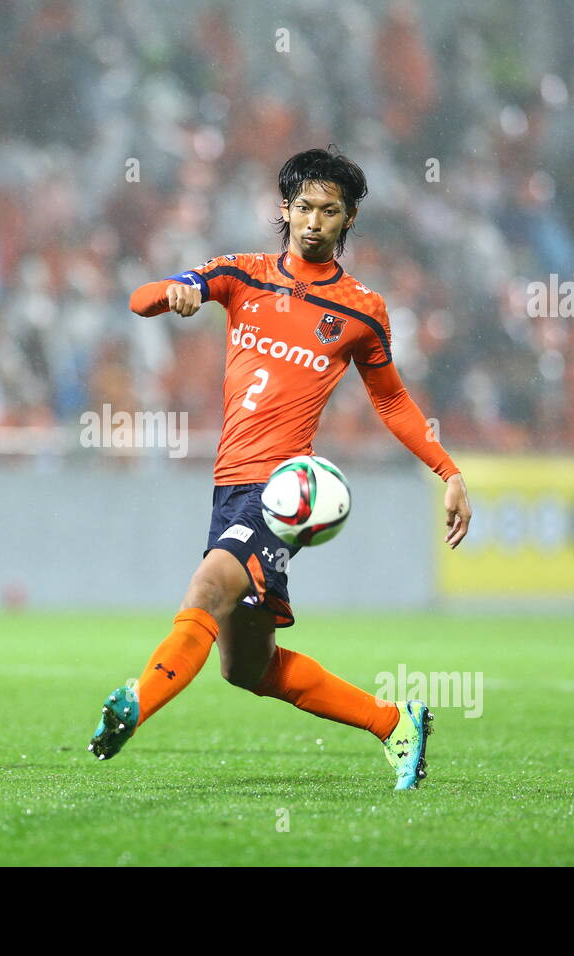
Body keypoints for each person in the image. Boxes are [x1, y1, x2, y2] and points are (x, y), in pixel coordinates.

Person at [88, 147, 472, 789]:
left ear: (349, 219)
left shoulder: (361, 309)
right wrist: (176, 293)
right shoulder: (242, 274)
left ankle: (135, 704)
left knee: (208, 588)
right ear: (285, 211)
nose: (314, 222)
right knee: (246, 668)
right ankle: (395, 722)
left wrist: (448, 470)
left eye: (330, 211)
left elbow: (391, 401)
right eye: (304, 208)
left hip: (280, 492)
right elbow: (139, 299)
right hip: (228, 487)